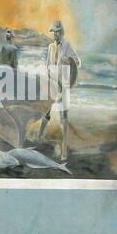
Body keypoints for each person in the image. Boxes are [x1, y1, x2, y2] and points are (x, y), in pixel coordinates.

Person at [34, 20, 80, 162]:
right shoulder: (50, 47)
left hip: (64, 83)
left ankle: (64, 149)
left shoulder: (67, 45)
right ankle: (39, 137)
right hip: (52, 83)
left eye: (57, 31)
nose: (55, 34)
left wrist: (69, 60)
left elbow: (78, 61)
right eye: (54, 32)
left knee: (64, 117)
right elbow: (48, 65)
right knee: (46, 111)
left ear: (62, 32)